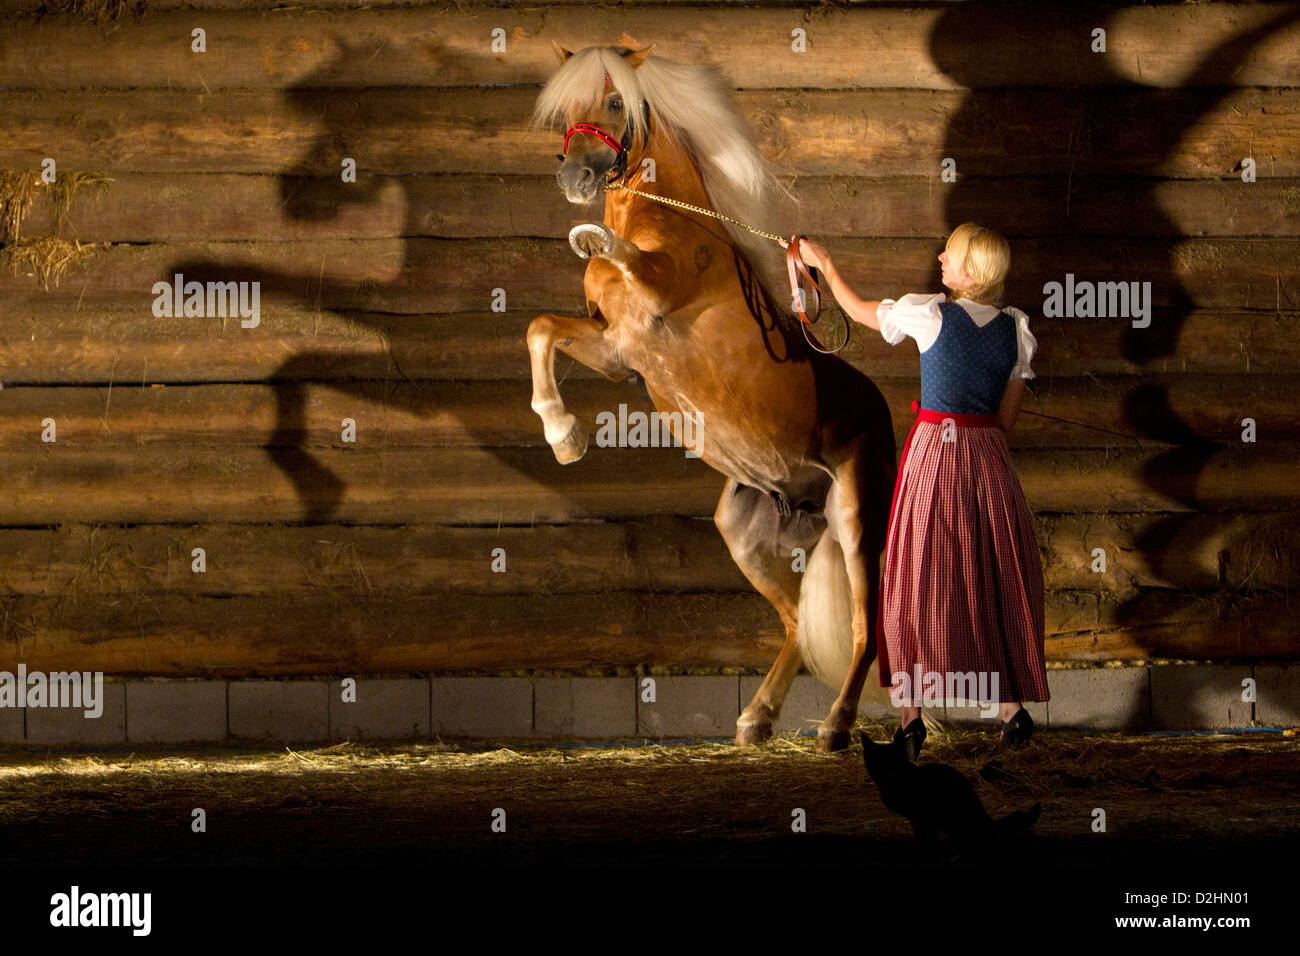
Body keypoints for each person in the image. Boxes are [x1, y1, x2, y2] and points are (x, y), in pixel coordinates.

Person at [786, 223, 1049, 759]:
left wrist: (825, 265)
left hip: (936, 454)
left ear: (970, 271)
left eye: (948, 255)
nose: (940, 258)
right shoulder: (1016, 329)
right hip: (988, 459)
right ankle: (1010, 709)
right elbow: (1005, 420)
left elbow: (859, 311)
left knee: (916, 574)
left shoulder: (928, 314)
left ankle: (912, 719)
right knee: (993, 571)